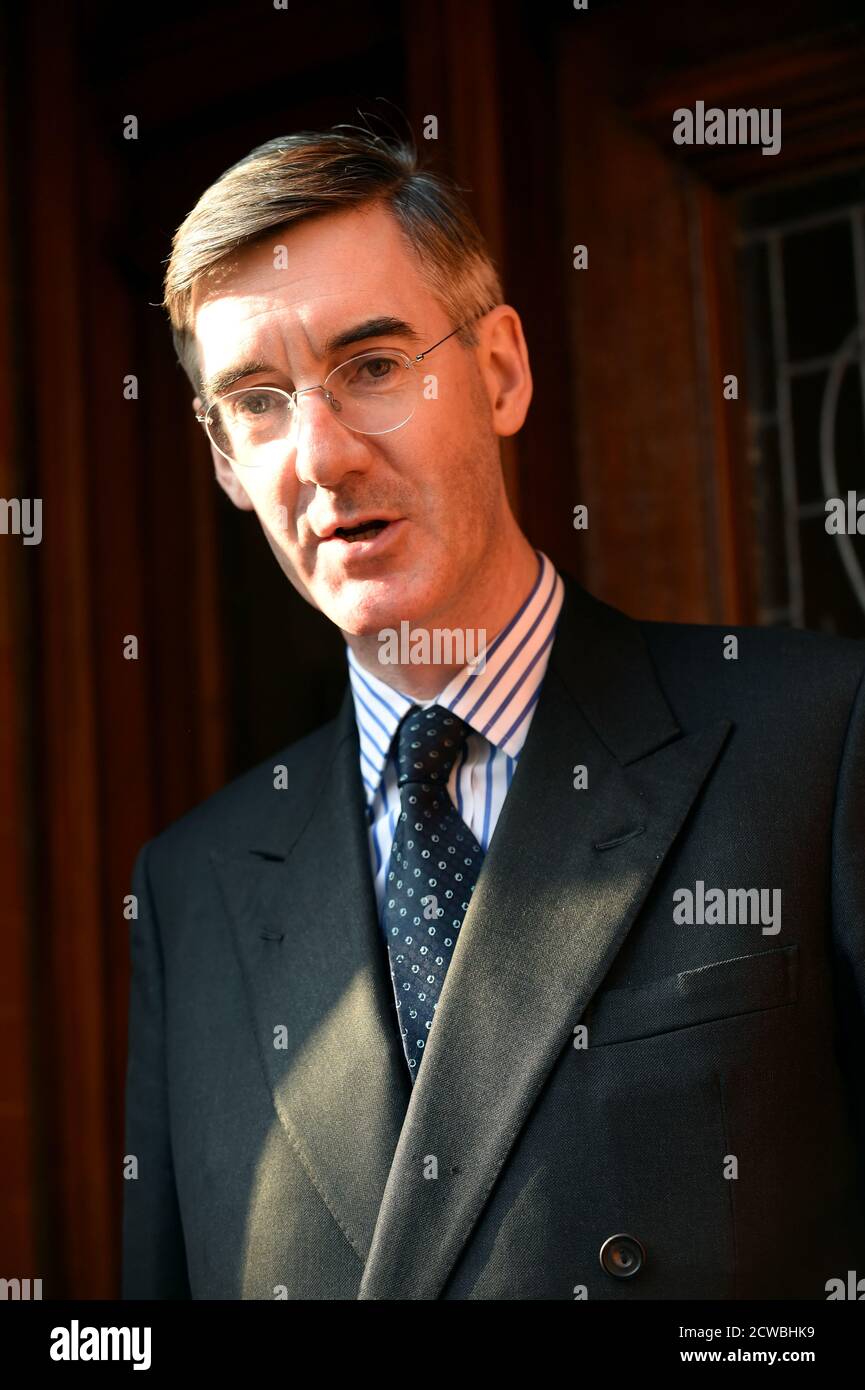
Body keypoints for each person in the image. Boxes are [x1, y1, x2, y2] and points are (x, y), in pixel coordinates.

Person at [122, 127, 865, 1301]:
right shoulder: (190, 887)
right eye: (257, 403)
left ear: (502, 371)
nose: (320, 457)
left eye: (372, 365)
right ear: (221, 459)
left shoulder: (815, 744)